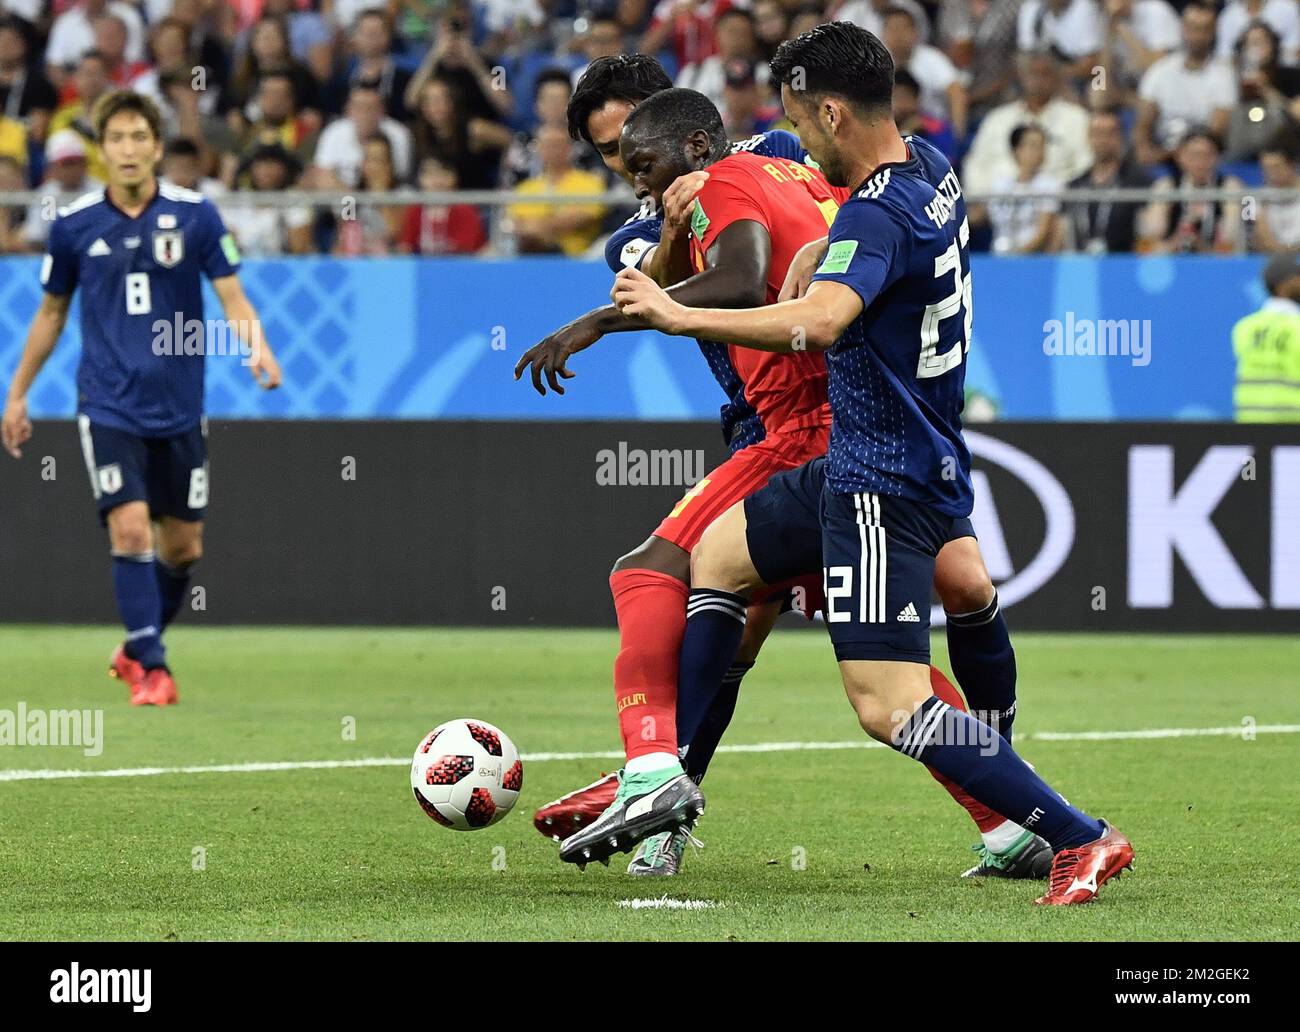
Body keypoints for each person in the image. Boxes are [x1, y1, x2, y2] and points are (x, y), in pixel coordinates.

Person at [612, 22, 1134, 905]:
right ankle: (668, 787)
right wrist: (820, 250)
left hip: (875, 481)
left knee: (887, 704)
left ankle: (1073, 835)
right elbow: (859, 260)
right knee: (720, 557)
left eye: (801, 125)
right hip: (913, 452)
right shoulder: (931, 171)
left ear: (831, 111)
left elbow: (817, 321)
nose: (799, 146)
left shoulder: (874, 213)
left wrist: (677, 314)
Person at [526, 54, 1031, 881]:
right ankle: (1012, 820)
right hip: (797, 423)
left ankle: (655, 778)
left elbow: (830, 219)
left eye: (635, 139)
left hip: (821, 420)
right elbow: (648, 278)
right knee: (808, 633)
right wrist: (659, 246)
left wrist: (794, 248)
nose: (630, 164)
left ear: (684, 122)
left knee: (681, 583)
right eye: (612, 153)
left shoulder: (770, 157)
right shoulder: (644, 225)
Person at [1, 90, 282, 705]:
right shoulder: (74, 225)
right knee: (130, 531)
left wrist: (255, 346)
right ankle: (154, 668)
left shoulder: (197, 215)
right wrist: (17, 395)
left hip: (180, 406)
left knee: (183, 546)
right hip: (107, 405)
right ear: (103, 152)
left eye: (138, 137)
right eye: (116, 139)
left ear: (156, 146)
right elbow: (51, 313)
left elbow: (231, 295)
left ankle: (135, 647)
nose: (128, 149)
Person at [1134, 1, 1237, 167]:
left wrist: (1176, 155)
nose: (1197, 36)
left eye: (1204, 29)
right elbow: (1143, 122)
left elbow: (1216, 132)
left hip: (1202, 159)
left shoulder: (1224, 75)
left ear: (1213, 32)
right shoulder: (1160, 70)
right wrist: (1144, 149)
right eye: (1193, 28)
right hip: (1162, 155)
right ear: (1183, 28)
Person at [508, 125, 607, 255]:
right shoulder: (525, 189)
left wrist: (537, 227)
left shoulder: (590, 182)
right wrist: (555, 223)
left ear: (569, 148)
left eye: (558, 145)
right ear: (539, 149)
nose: (553, 150)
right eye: (548, 145)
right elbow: (518, 226)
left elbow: (580, 218)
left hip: (579, 257)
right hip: (531, 255)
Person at [1065, 107, 1151, 253]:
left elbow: (1148, 234)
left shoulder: (1138, 183)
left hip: (1124, 264)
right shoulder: (1075, 185)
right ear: (1089, 138)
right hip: (1082, 265)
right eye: (1097, 133)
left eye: (1110, 133)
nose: (1103, 140)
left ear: (1121, 137)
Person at [1231, 252, 1300, 421]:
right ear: (1282, 285)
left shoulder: (1244, 327)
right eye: (1297, 278)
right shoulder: (1296, 327)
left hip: (1249, 422)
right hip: (1291, 424)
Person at [984, 124, 1063, 254]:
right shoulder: (1000, 186)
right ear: (1017, 150)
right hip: (998, 255)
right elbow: (981, 215)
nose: (1040, 151)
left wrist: (1017, 254)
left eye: (1042, 146)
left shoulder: (1050, 185)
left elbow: (1043, 232)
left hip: (1031, 257)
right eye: (1033, 145)